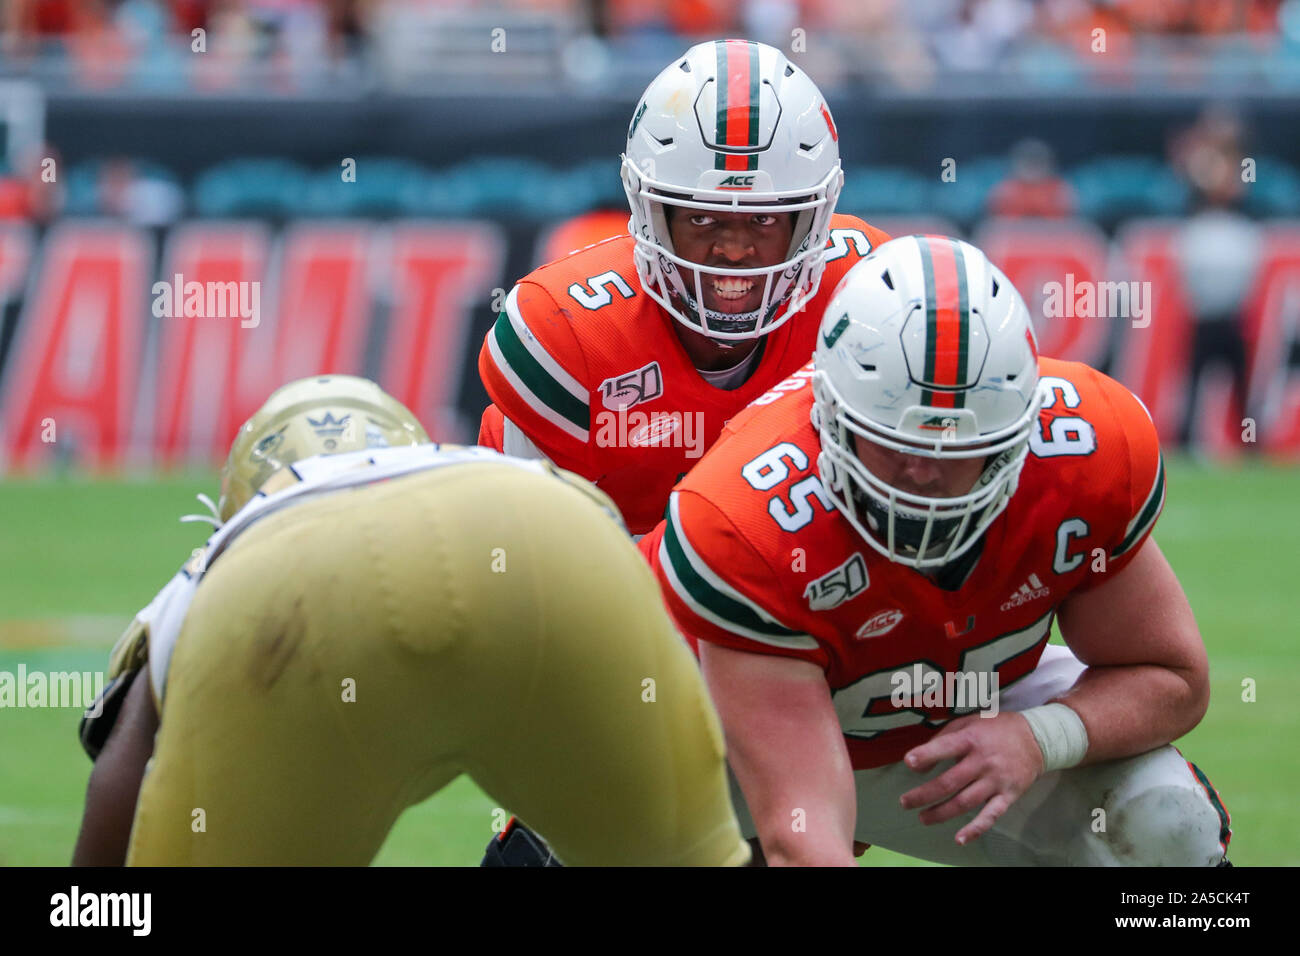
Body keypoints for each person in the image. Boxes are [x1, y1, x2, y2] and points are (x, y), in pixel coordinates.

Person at [641, 235, 1231, 866]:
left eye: (957, 447)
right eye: (895, 443)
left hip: (959, 726)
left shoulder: (1084, 457)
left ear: (1018, 433)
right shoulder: (747, 526)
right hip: (723, 743)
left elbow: (1174, 679)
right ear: (832, 419)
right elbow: (801, 832)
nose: (923, 473)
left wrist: (1039, 737)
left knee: (1166, 823)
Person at [73, 375, 749, 867]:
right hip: (552, 529)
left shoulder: (235, 551)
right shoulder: (474, 467)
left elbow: (117, 791)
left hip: (285, 584)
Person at [477, 38, 890, 535]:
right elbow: (525, 562)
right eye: (701, 217)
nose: (735, 250)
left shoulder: (862, 297)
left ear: (811, 220)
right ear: (651, 212)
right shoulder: (568, 334)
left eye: (764, 220)